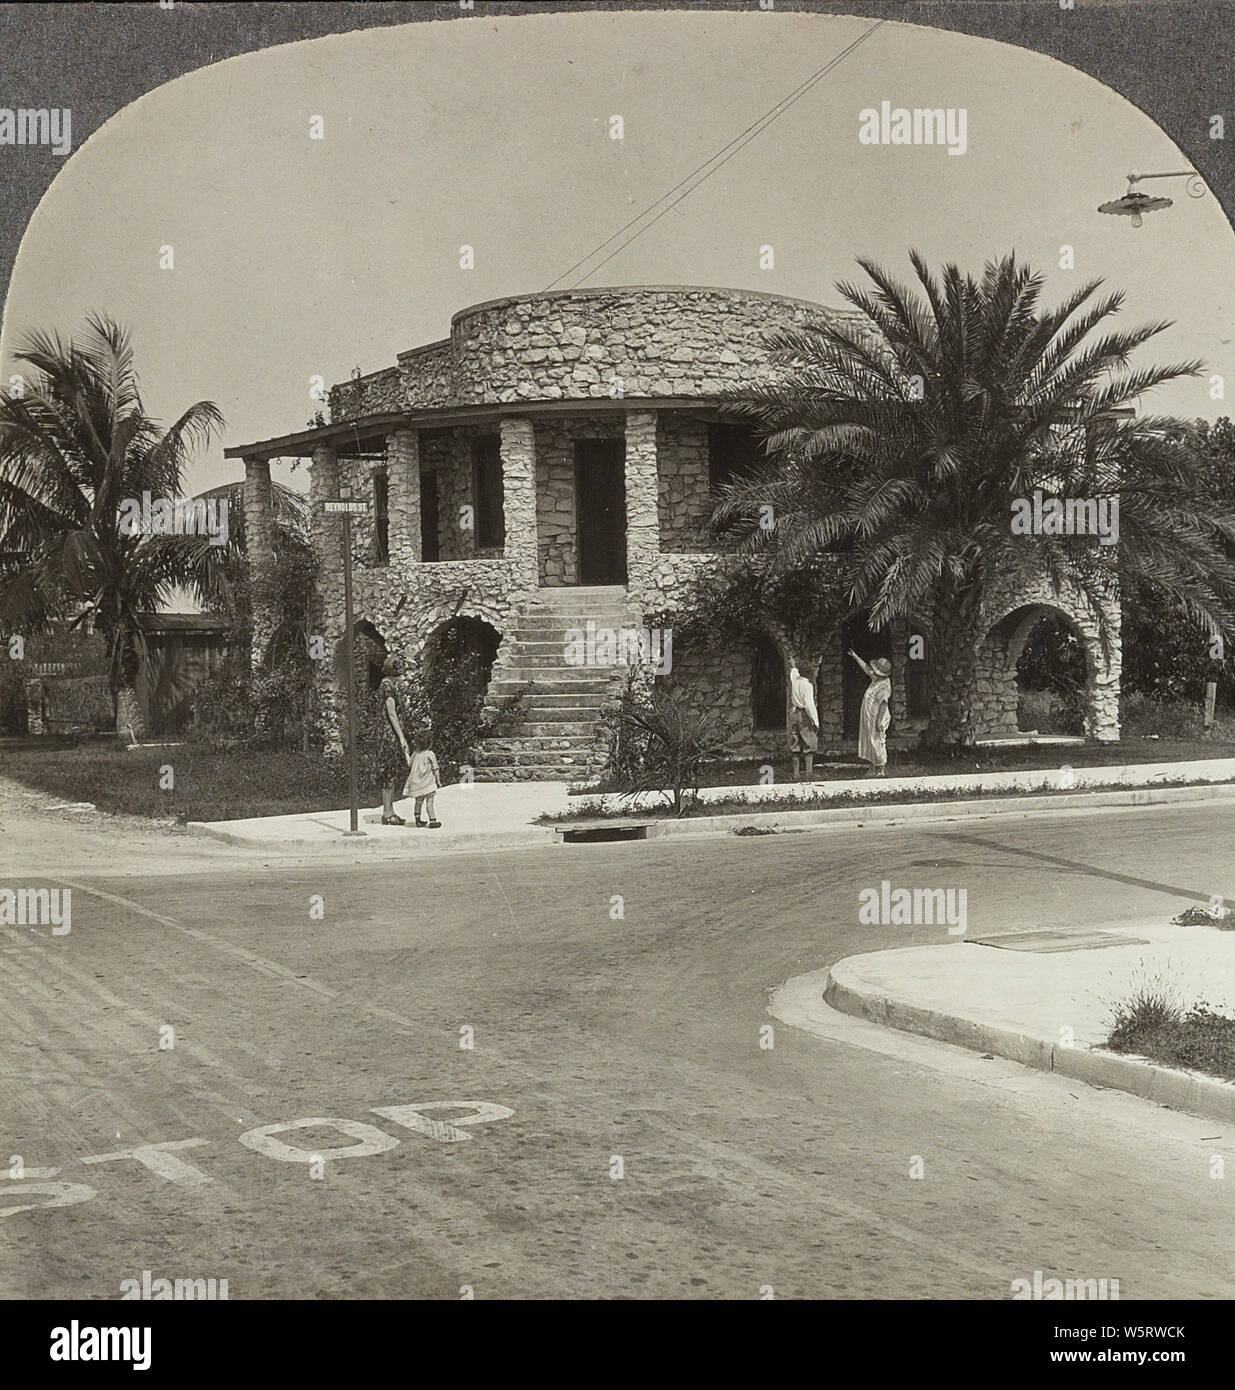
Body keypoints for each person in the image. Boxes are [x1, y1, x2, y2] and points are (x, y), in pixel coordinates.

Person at [376, 654, 412, 825]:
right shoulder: (388, 686)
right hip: (389, 734)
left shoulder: (386, 684)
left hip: (387, 733)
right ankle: (387, 812)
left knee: (390, 774)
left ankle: (390, 811)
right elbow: (391, 713)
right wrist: (401, 737)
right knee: (388, 773)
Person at [848, 650, 892, 776]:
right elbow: (867, 669)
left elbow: (883, 704)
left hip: (877, 716)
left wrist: (878, 720)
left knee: (877, 740)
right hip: (869, 716)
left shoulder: (884, 685)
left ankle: (881, 769)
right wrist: (856, 657)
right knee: (870, 740)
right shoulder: (876, 680)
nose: (874, 672)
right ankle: (872, 767)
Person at [787, 659, 820, 781]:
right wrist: (815, 722)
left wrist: (793, 665)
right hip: (804, 714)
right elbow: (809, 705)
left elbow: (793, 672)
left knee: (795, 742)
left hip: (794, 713)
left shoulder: (795, 681)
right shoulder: (808, 686)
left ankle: (796, 774)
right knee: (808, 742)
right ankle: (808, 774)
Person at [405, 734, 441, 828]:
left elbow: (409, 764)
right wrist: (438, 780)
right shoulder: (430, 754)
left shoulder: (415, 754)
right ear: (429, 743)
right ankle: (432, 821)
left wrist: (406, 753)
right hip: (428, 783)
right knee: (430, 801)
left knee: (418, 801)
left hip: (417, 783)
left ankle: (418, 820)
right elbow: (435, 768)